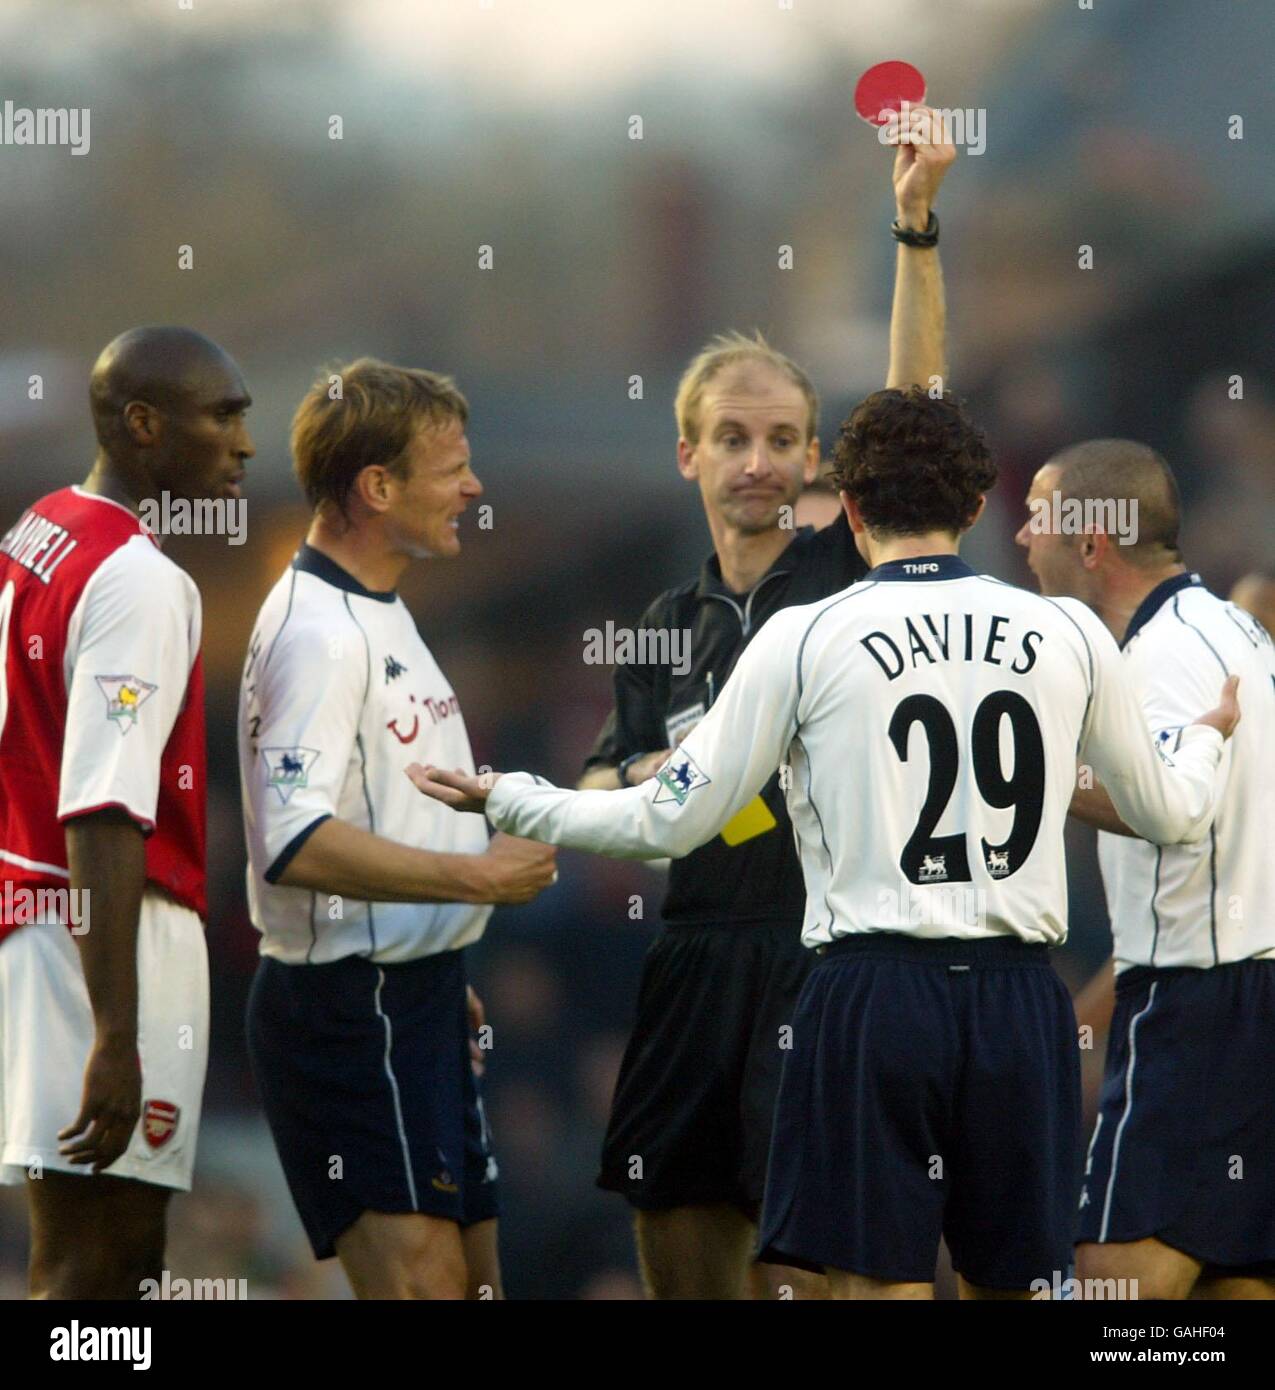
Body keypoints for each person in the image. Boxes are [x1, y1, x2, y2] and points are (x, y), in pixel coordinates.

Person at [410, 386, 1239, 1300]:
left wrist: (513, 798)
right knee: (1019, 1286)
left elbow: (665, 818)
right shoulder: (1069, 631)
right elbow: (1172, 813)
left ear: (848, 507)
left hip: (868, 997)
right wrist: (1203, 735)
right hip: (1016, 1001)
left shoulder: (802, 637)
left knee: (873, 1285)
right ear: (974, 507)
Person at [571, 104, 956, 1300]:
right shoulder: (660, 623)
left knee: (824, 1272)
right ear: (687, 454)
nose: (760, 462)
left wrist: (915, 229)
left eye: (785, 438)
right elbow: (599, 779)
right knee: (680, 1257)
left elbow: (922, 418)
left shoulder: (850, 571)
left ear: (814, 462)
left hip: (824, 957)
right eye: (732, 438)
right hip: (693, 959)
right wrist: (643, 780)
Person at [238, 358, 557, 1300]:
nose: (475, 486)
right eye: (452, 468)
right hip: (348, 1006)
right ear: (377, 487)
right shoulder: (318, 634)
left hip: (414, 993)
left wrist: (438, 946)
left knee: (479, 1282)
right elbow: (291, 843)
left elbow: (387, 800)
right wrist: (477, 883)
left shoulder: (381, 610)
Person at [0, 326, 253, 1297]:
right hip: (107, 934)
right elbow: (102, 808)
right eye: (222, 415)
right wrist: (117, 1030)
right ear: (144, 425)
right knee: (100, 1261)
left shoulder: (45, 525)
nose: (245, 444)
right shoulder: (140, 580)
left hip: (41, 921)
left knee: (100, 1256)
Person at [1017, 441, 1275, 1299]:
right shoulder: (1226, 627)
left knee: (1108, 1294)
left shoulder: (1157, 657)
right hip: (1244, 998)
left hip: (1194, 1011)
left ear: (1091, 543)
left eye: (1038, 513)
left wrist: (1026, 769)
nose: (1021, 535)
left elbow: (1170, 802)